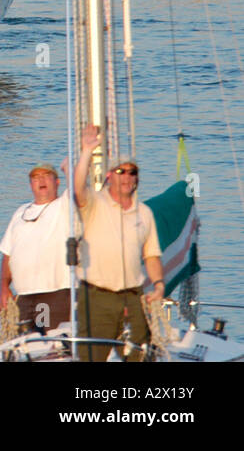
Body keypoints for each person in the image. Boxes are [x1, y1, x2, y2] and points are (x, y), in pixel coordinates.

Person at [73, 125, 164, 362]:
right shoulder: (94, 203)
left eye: (132, 172)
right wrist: (86, 151)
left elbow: (151, 255)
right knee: (91, 357)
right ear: (109, 176)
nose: (127, 176)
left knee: (141, 354)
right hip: (97, 296)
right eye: (121, 171)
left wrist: (159, 284)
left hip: (134, 296)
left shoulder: (144, 213)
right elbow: (78, 188)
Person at [0, 162, 72, 335]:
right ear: (30, 184)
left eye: (46, 176)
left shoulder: (64, 206)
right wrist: (4, 287)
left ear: (57, 182)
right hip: (24, 297)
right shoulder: (20, 212)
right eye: (36, 177)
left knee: (50, 347)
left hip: (54, 294)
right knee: (24, 346)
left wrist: (70, 169)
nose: (41, 180)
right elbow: (7, 253)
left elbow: (78, 189)